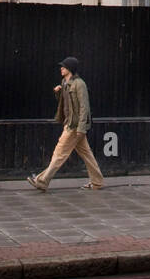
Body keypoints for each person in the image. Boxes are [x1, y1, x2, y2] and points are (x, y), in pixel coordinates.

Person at [27, 57, 105, 190]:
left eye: (63, 67)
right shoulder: (64, 82)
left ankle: (42, 180)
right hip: (69, 123)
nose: (61, 69)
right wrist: (58, 93)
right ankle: (97, 182)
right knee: (86, 154)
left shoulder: (79, 84)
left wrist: (81, 128)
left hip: (74, 126)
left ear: (70, 69)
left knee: (59, 153)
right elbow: (65, 104)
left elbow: (84, 107)